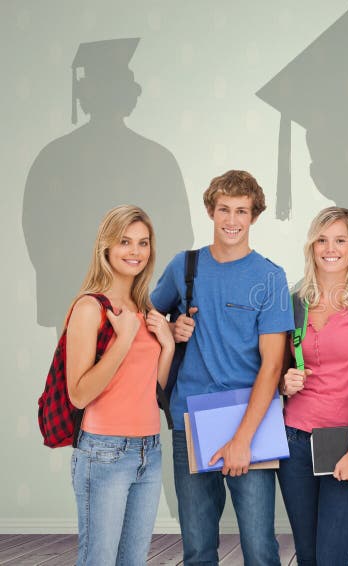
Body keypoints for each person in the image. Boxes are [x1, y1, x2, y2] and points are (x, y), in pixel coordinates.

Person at [151, 170, 293, 566]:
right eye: (224, 210)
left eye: (242, 211)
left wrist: (243, 439)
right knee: (197, 548)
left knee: (260, 549)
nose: (232, 220)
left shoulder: (270, 277)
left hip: (251, 419)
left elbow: (271, 366)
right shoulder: (185, 266)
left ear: (254, 216)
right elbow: (146, 315)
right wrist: (170, 327)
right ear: (211, 212)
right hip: (190, 419)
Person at [278, 206, 348, 566]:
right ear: (312, 247)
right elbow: (282, 369)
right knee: (308, 556)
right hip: (294, 437)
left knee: (332, 558)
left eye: (340, 240)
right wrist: (285, 383)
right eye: (322, 240)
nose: (331, 248)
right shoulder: (296, 303)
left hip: (344, 439)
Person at [66, 205, 174, 565]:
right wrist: (123, 339)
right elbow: (78, 393)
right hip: (103, 452)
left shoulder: (144, 308)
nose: (135, 251)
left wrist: (169, 345)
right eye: (125, 241)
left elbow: (153, 390)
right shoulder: (89, 307)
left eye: (143, 243)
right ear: (107, 248)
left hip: (150, 450)